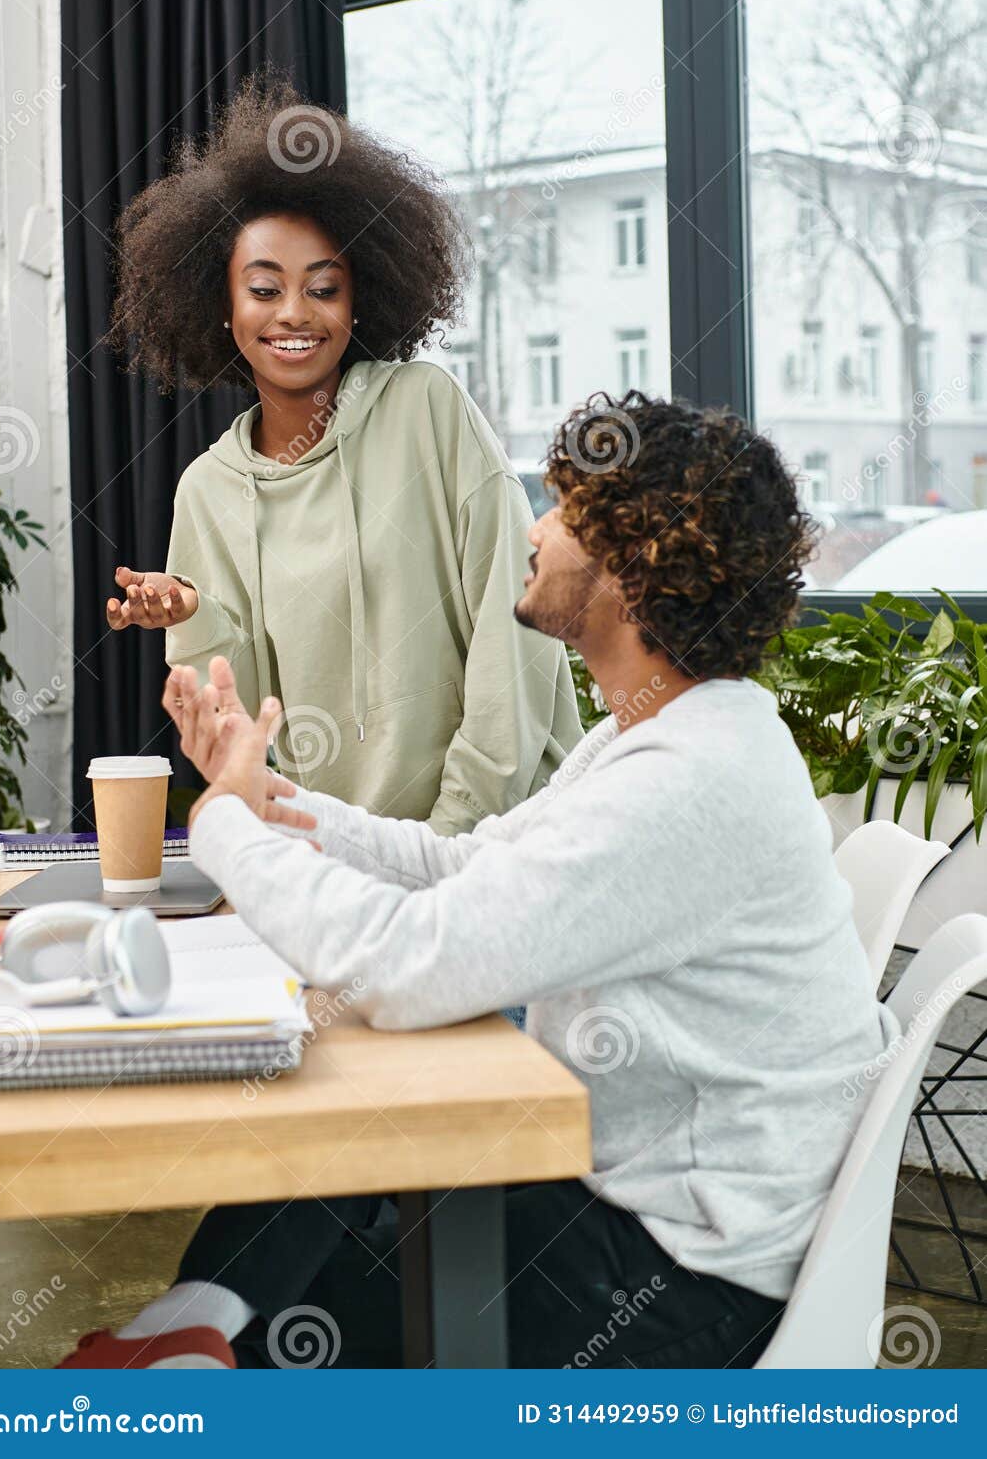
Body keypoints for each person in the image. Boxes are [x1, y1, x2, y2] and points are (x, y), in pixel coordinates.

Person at [61, 390, 899, 1370]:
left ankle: (193, 1355)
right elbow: (469, 863)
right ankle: (187, 1335)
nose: (534, 529)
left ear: (634, 567)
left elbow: (411, 965)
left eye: (566, 513)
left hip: (678, 1288)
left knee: (303, 1302)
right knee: (338, 1128)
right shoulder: (663, 728)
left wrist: (225, 826)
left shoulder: (689, 780)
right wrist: (282, 802)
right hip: (629, 1207)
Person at [103, 70, 580, 831]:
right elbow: (244, 726)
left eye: (323, 289)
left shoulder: (427, 411)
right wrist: (196, 616)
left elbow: (513, 633)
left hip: (502, 837)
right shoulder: (209, 489)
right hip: (339, 856)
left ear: (359, 304)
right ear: (220, 308)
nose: (293, 313)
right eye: (263, 290)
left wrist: (447, 837)